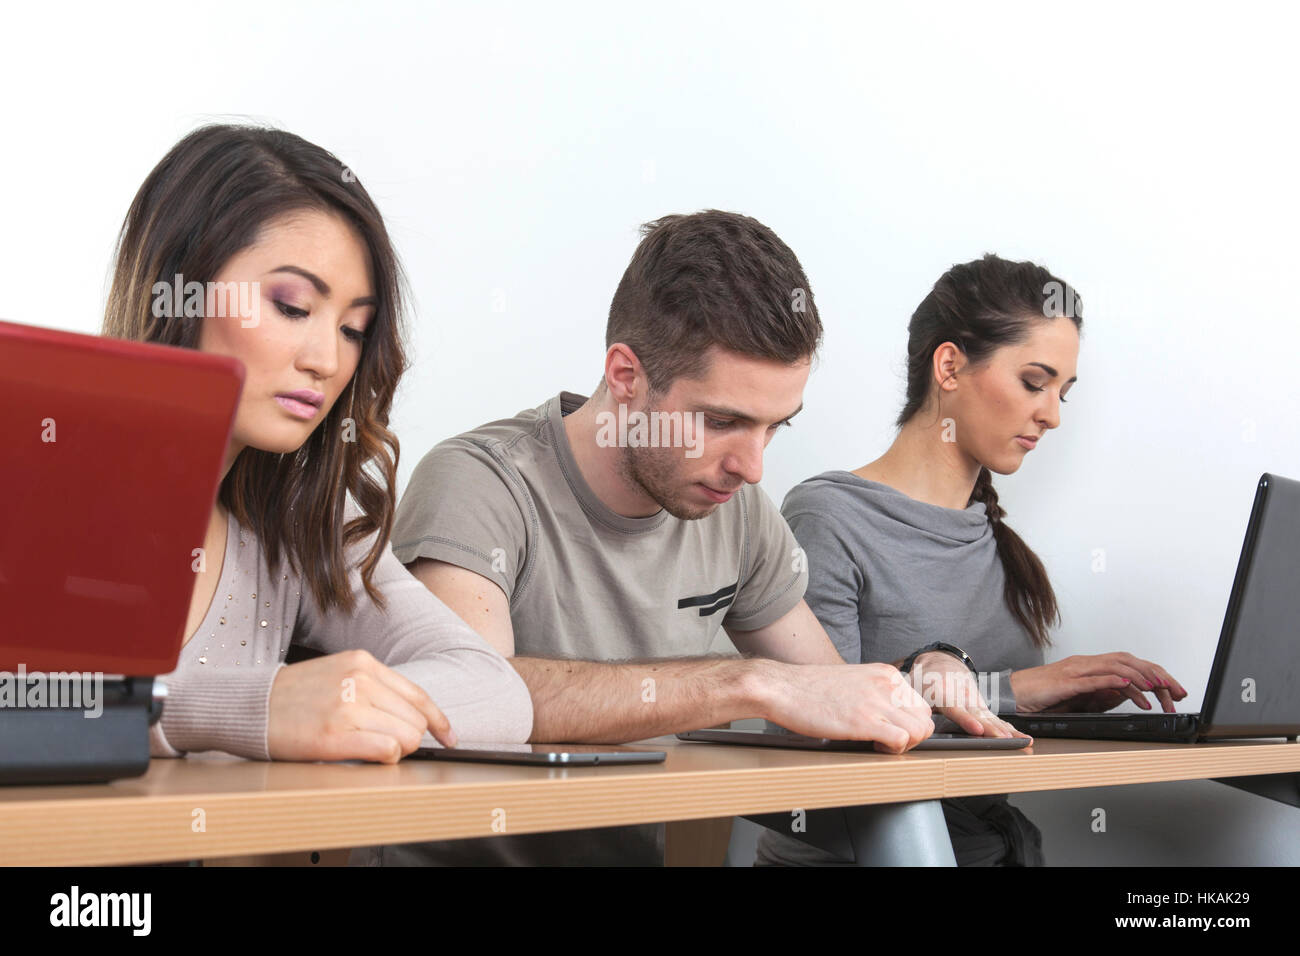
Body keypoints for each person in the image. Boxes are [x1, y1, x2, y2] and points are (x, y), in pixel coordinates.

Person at [352, 210, 1016, 867]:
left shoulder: (737, 508)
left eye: (774, 426)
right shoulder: (481, 481)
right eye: (723, 420)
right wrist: (748, 682)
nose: (753, 466)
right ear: (625, 377)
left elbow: (824, 690)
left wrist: (914, 677)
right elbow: (472, 695)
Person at [100, 124, 533, 763]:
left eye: (355, 329)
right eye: (293, 307)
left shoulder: (302, 521)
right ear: (179, 289)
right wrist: (255, 707)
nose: (328, 360)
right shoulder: (33, 480)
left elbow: (495, 690)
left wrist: (346, 703)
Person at [755, 253, 1188, 866]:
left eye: (1063, 392)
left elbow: (989, 729)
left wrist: (1064, 709)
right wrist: (1022, 690)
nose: (1053, 415)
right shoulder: (829, 517)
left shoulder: (997, 544)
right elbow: (813, 726)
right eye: (1034, 382)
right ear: (950, 365)